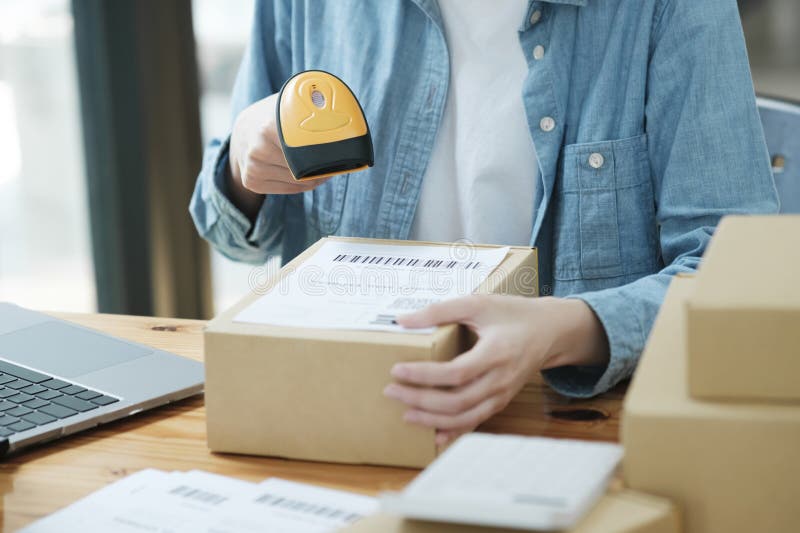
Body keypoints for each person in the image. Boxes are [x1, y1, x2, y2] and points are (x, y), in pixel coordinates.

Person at [190, 0, 778, 445]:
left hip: (564, 432)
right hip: (346, 414)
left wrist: (560, 332)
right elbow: (229, 234)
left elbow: (737, 284)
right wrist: (244, 155)